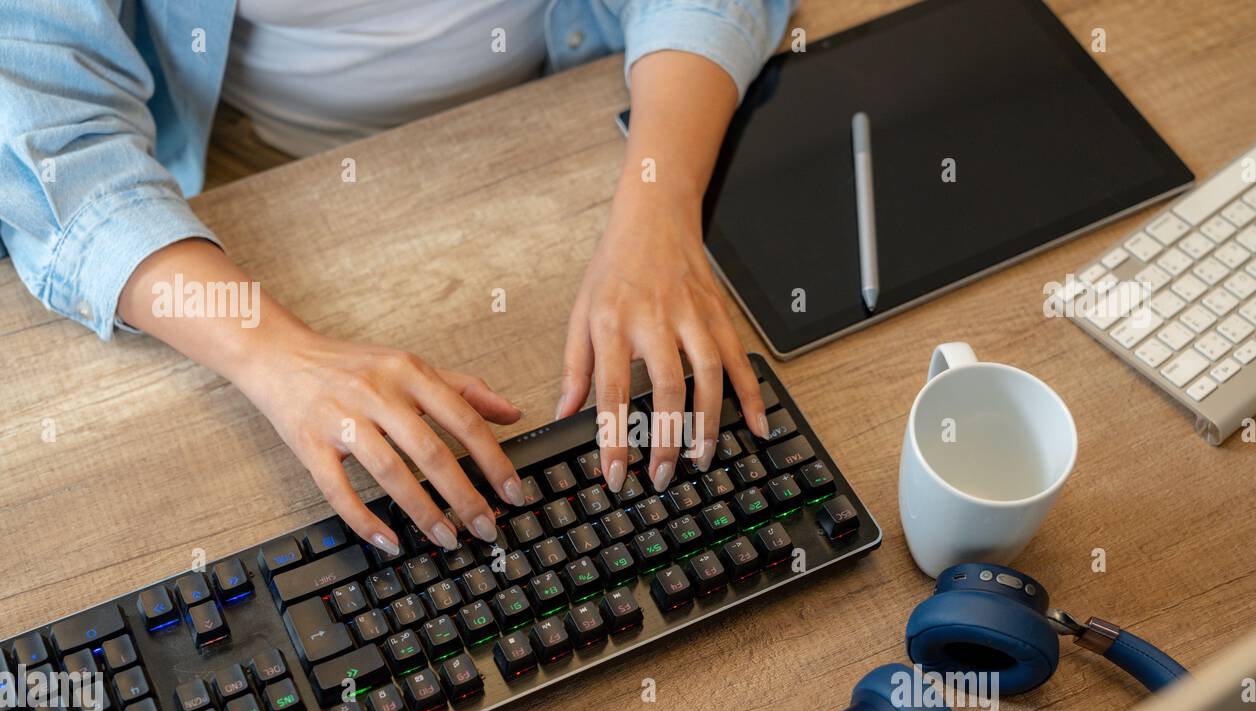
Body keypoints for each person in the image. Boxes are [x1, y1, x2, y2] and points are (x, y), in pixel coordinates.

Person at [0, 0, 788, 555]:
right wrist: (273, 355)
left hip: (577, 100)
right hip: (255, 174)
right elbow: (55, 136)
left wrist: (660, 208)